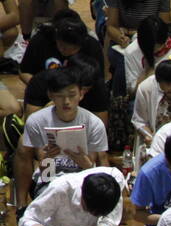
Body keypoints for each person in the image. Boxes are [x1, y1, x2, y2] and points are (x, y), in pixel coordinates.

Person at [15, 69, 110, 208]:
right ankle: (21, 205)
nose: (66, 102)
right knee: (23, 145)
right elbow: (45, 174)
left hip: (84, 182)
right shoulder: (37, 121)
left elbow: (100, 165)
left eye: (72, 95)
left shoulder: (94, 123)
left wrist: (86, 165)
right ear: (50, 95)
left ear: (81, 94)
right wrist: (47, 158)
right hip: (49, 182)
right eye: (60, 96)